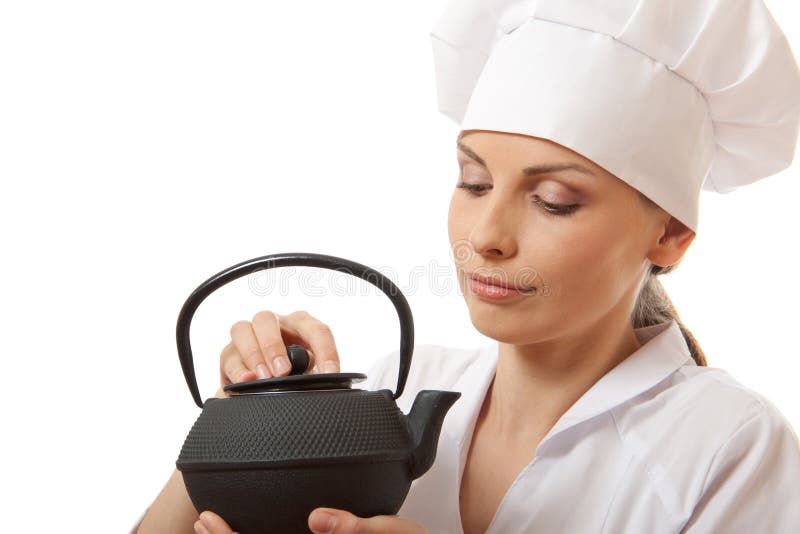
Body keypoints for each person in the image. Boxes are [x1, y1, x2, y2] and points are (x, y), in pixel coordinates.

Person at [136, 0, 800, 532]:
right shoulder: (399, 384)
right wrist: (238, 419)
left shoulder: (726, 447)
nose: (485, 236)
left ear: (672, 235)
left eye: (553, 201)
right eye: (474, 183)